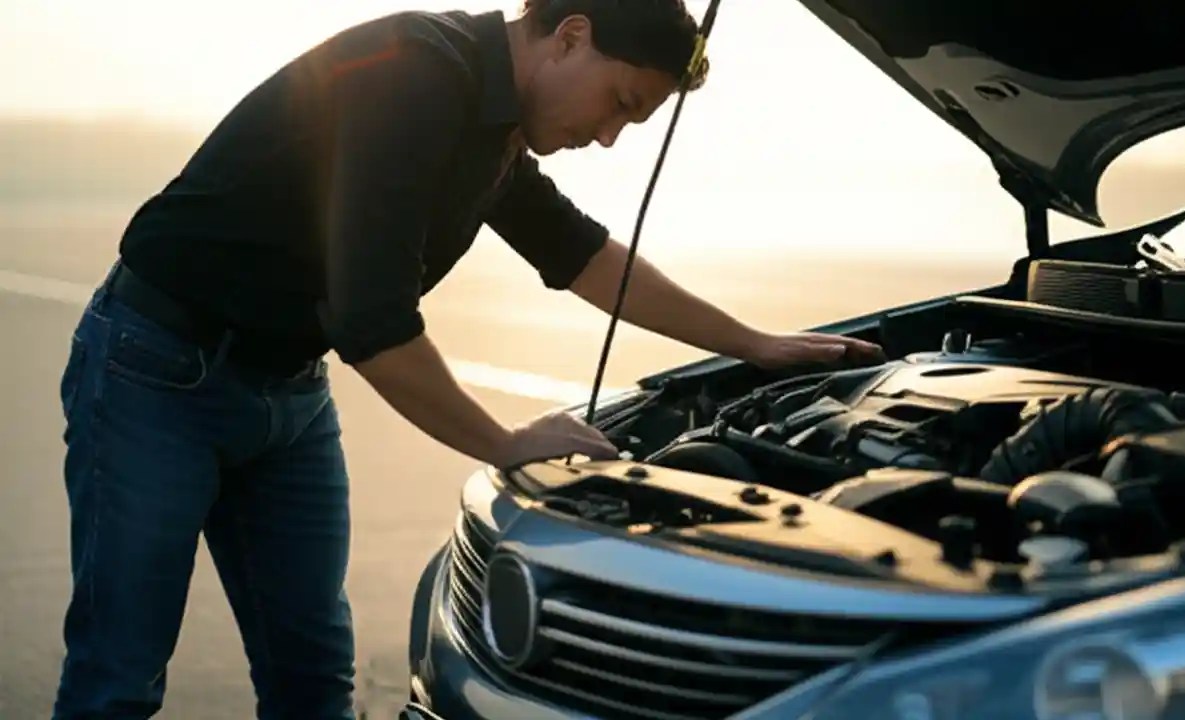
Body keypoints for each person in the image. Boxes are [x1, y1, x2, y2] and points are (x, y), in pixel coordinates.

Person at [51, 1, 885, 718]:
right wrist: (504, 442)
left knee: (312, 677)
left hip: (290, 390)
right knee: (118, 679)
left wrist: (754, 345)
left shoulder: (498, 131)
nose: (606, 137)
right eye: (619, 105)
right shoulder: (412, 77)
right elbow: (371, 322)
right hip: (154, 371)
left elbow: (586, 256)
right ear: (570, 37)